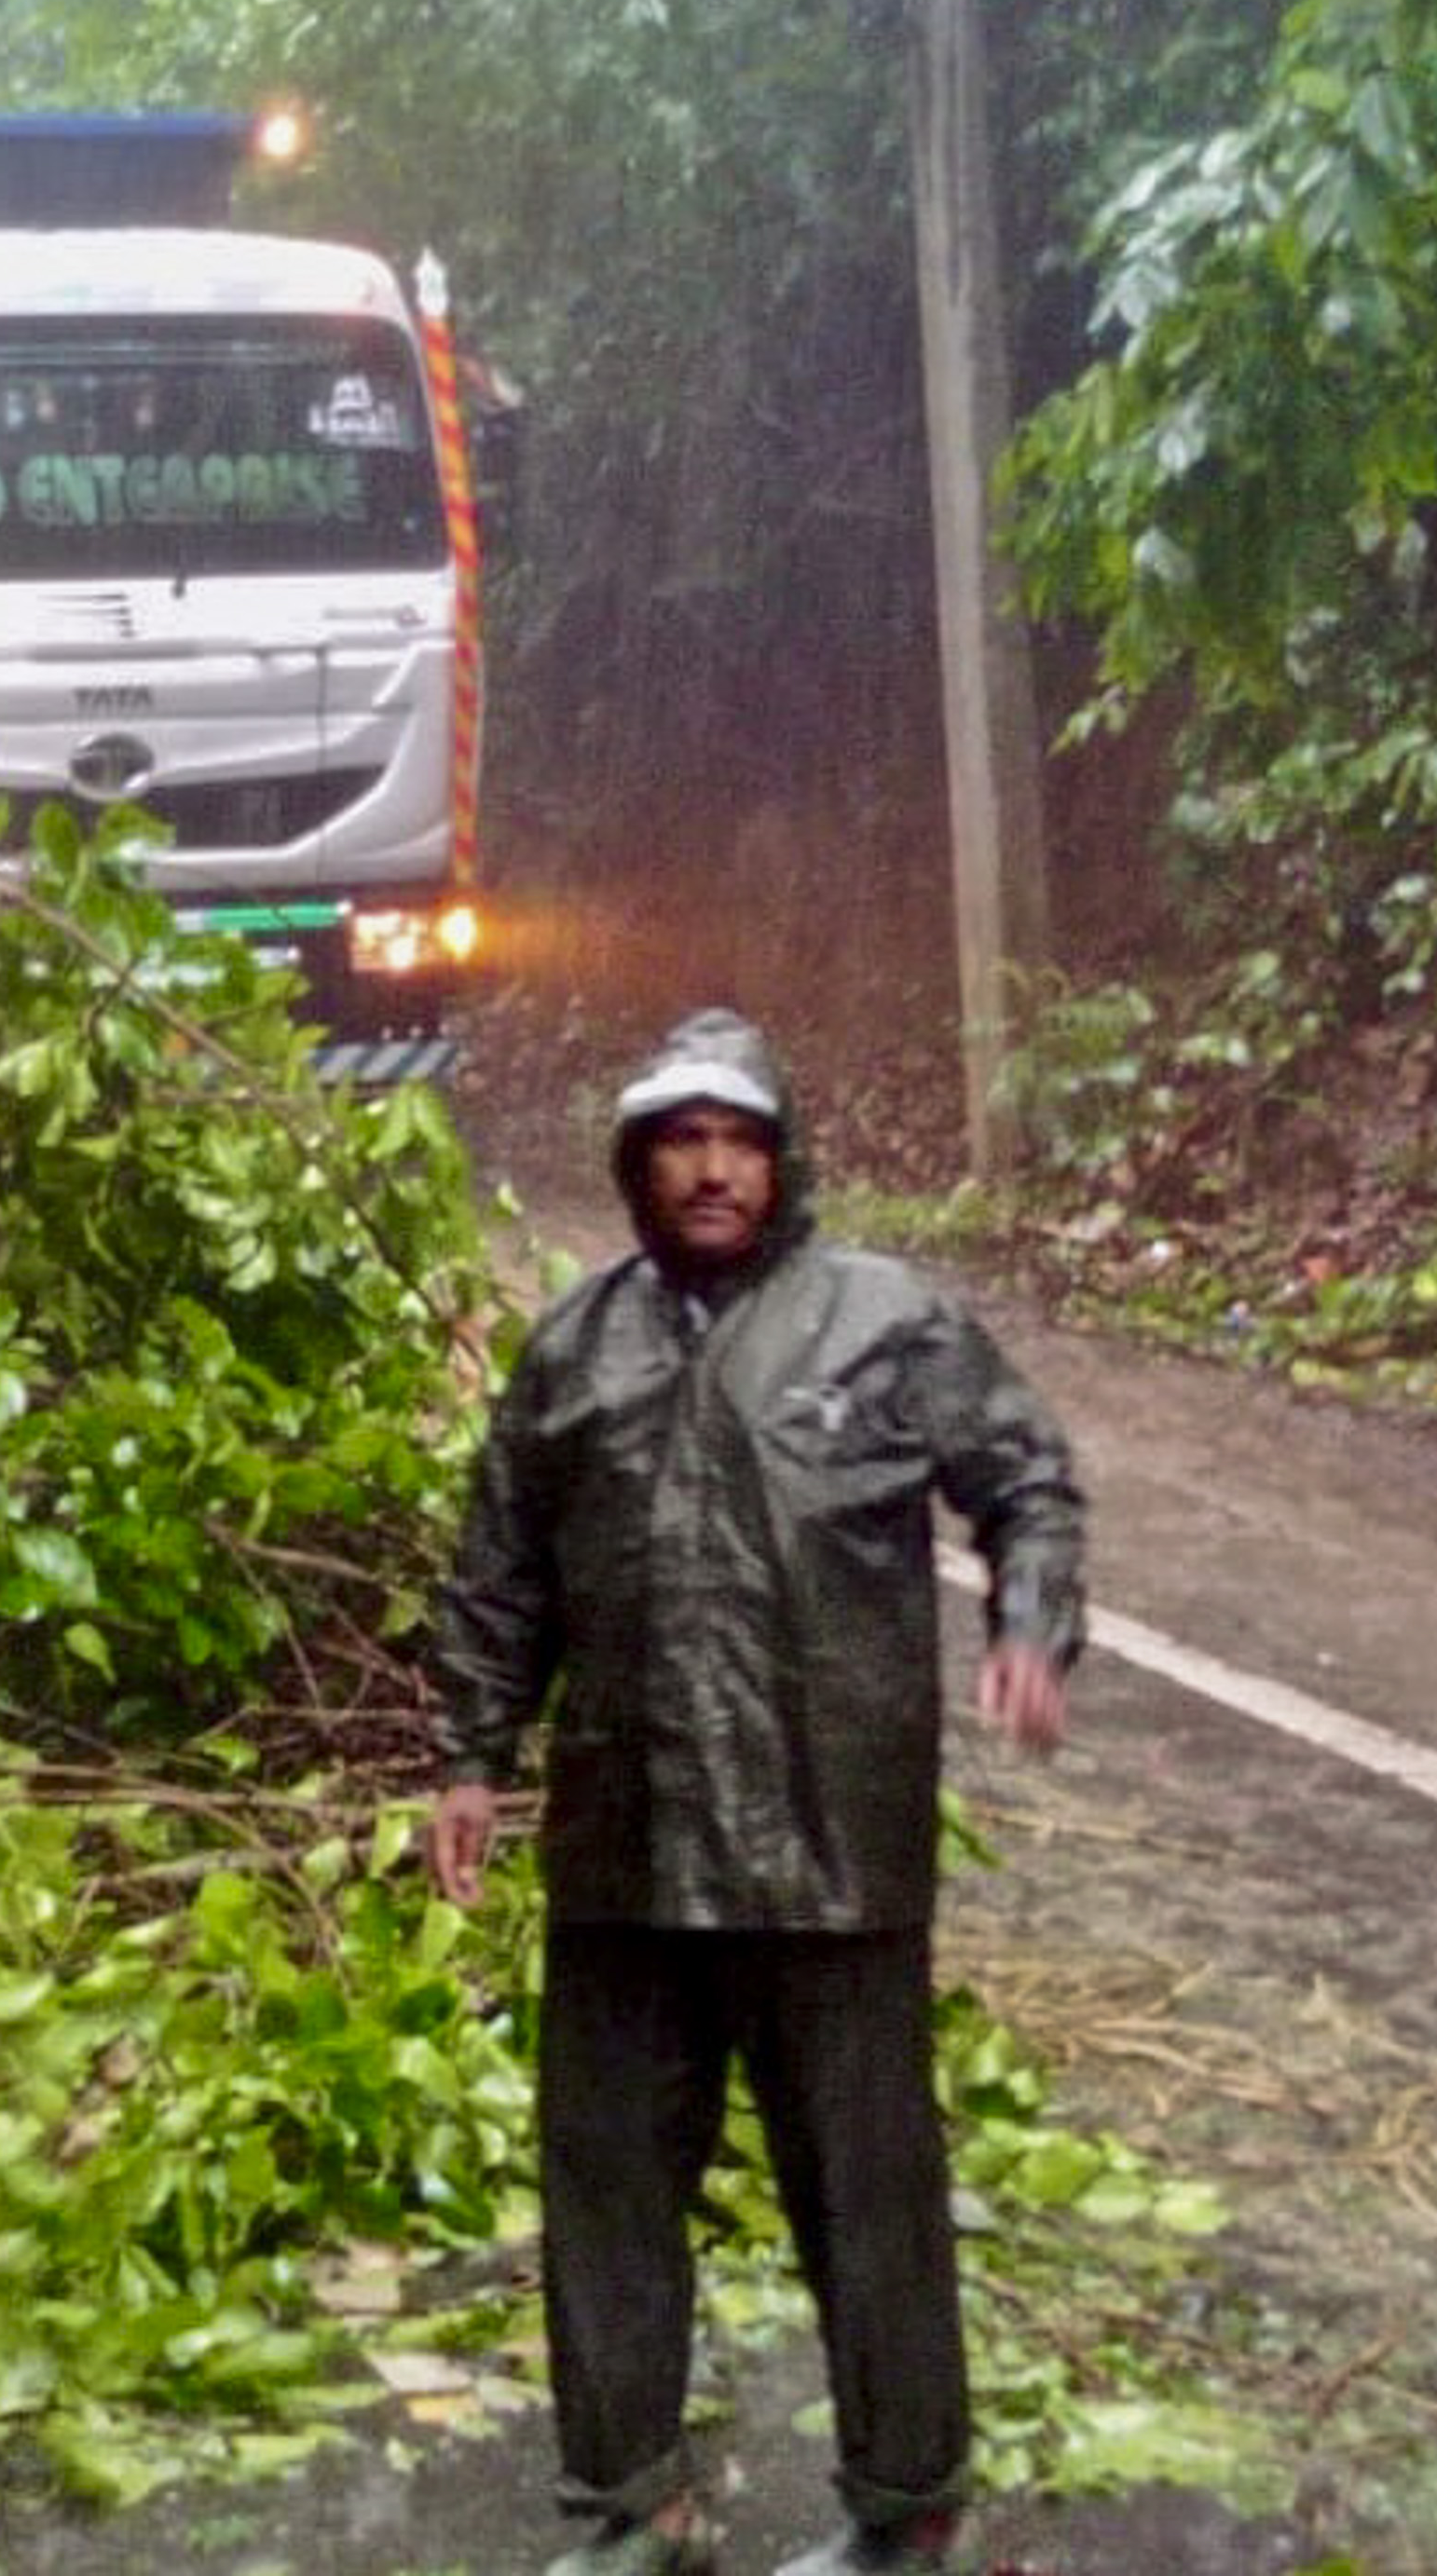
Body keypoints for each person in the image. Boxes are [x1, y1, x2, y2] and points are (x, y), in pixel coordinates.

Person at [425, 1010, 1086, 2576]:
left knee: (869, 2194)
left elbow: (1028, 1478)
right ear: (639, 1161)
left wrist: (1029, 1618)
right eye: (681, 1139)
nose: (712, 1169)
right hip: (624, 1845)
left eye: (740, 1140)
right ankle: (632, 2500)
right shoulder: (574, 1345)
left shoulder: (886, 1317)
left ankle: (907, 2504)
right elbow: (500, 1566)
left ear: (780, 1160)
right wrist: (469, 1748)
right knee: (602, 2181)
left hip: (828, 1850)